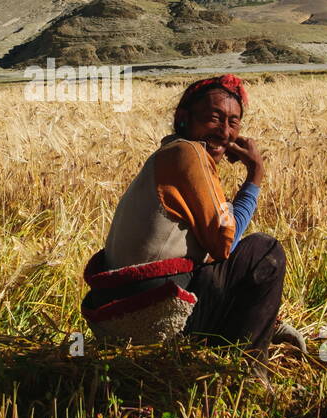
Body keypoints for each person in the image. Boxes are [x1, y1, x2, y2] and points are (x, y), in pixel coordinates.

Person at [80, 74, 304, 371]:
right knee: (264, 251)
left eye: (233, 122)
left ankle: (257, 330)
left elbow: (208, 249)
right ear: (183, 118)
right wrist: (255, 175)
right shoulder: (189, 152)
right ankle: (247, 371)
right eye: (214, 118)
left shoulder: (170, 153)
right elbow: (225, 243)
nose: (224, 131)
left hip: (119, 311)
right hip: (152, 311)